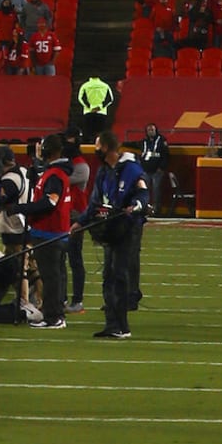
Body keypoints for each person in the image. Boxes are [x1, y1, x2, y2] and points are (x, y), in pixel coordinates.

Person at [82, 132, 148, 339]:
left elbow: (143, 194)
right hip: (110, 227)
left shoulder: (132, 169)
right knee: (108, 276)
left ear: (107, 147)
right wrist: (80, 222)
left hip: (127, 228)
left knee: (118, 275)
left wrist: (136, 206)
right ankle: (112, 323)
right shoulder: (104, 172)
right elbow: (95, 202)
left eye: (97, 145)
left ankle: (121, 325)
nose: (95, 150)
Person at [19, 135, 73, 330]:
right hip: (55, 232)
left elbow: (50, 203)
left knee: (51, 278)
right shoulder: (55, 172)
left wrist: (21, 208)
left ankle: (54, 316)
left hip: (50, 233)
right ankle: (55, 314)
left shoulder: (55, 175)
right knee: (54, 277)